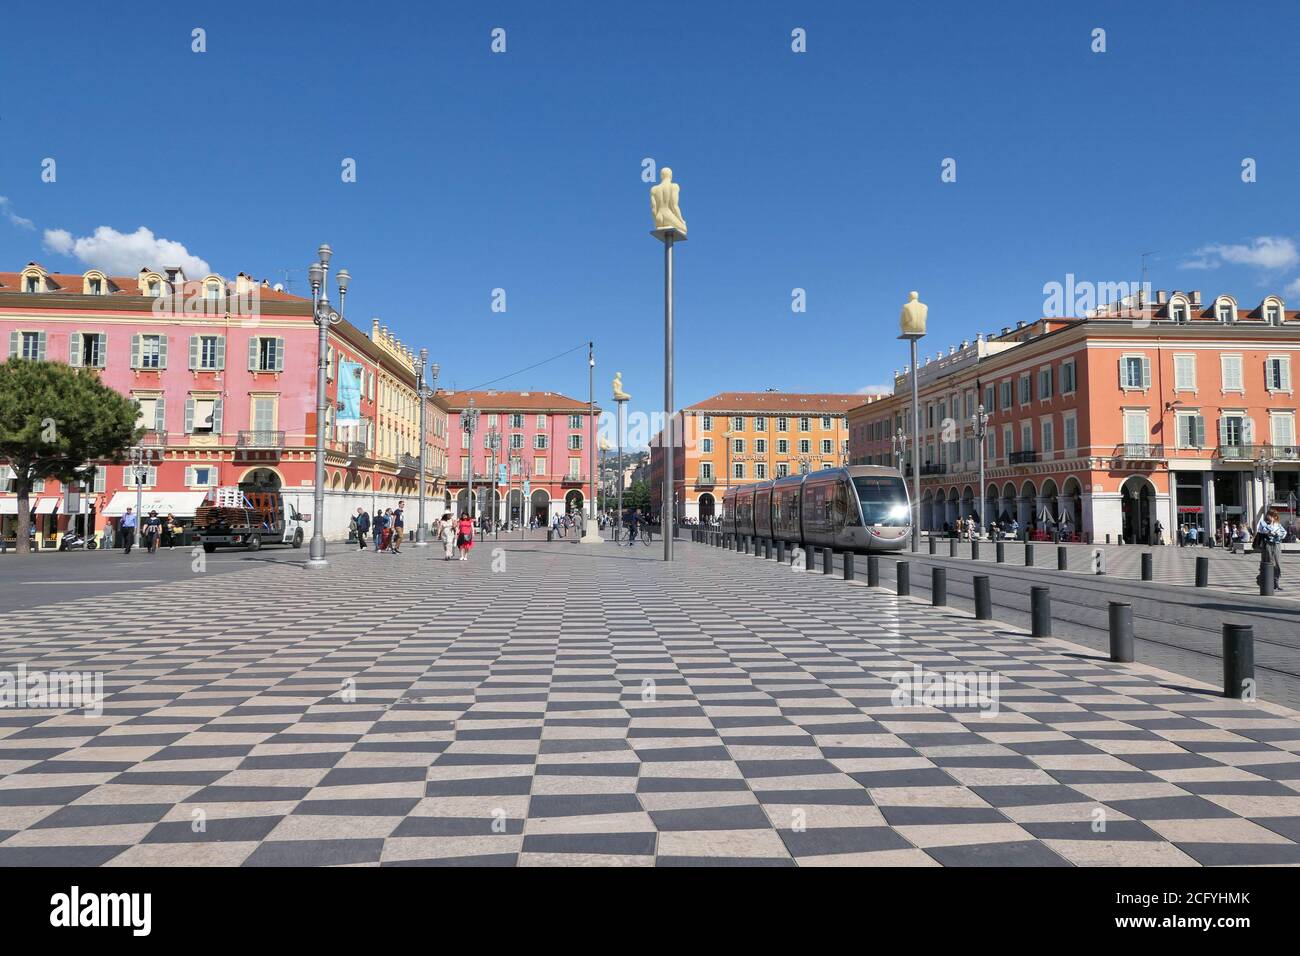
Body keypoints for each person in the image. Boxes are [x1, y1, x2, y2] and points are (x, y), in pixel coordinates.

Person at [1256, 509, 1285, 592]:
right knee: (1268, 562)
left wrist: (1278, 534)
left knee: (1278, 564)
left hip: (1277, 544)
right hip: (1267, 544)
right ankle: (1266, 580)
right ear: (1268, 515)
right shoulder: (1263, 523)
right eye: (1272, 515)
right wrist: (1270, 531)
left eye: (1275, 516)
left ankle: (1276, 582)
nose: (1273, 517)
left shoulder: (1278, 524)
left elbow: (1284, 532)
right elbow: (1262, 530)